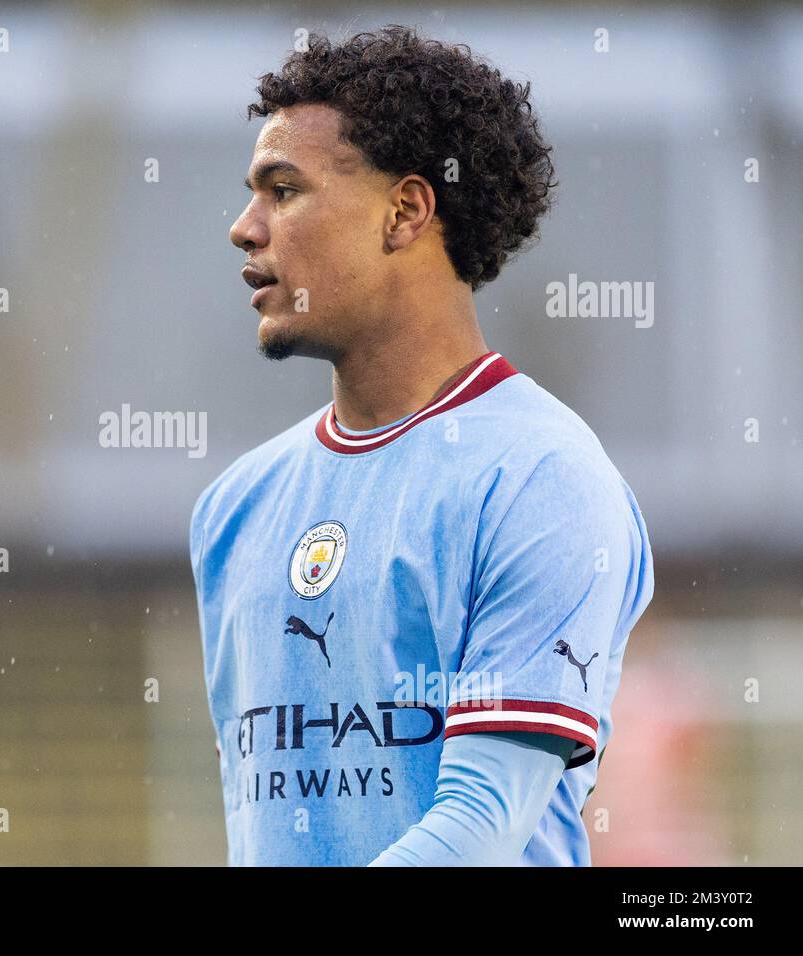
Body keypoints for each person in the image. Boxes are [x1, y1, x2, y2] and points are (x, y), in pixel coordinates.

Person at [190, 26, 654, 865]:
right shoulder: (231, 510)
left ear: (405, 210)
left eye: (283, 190)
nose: (244, 229)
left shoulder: (541, 478)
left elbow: (478, 829)